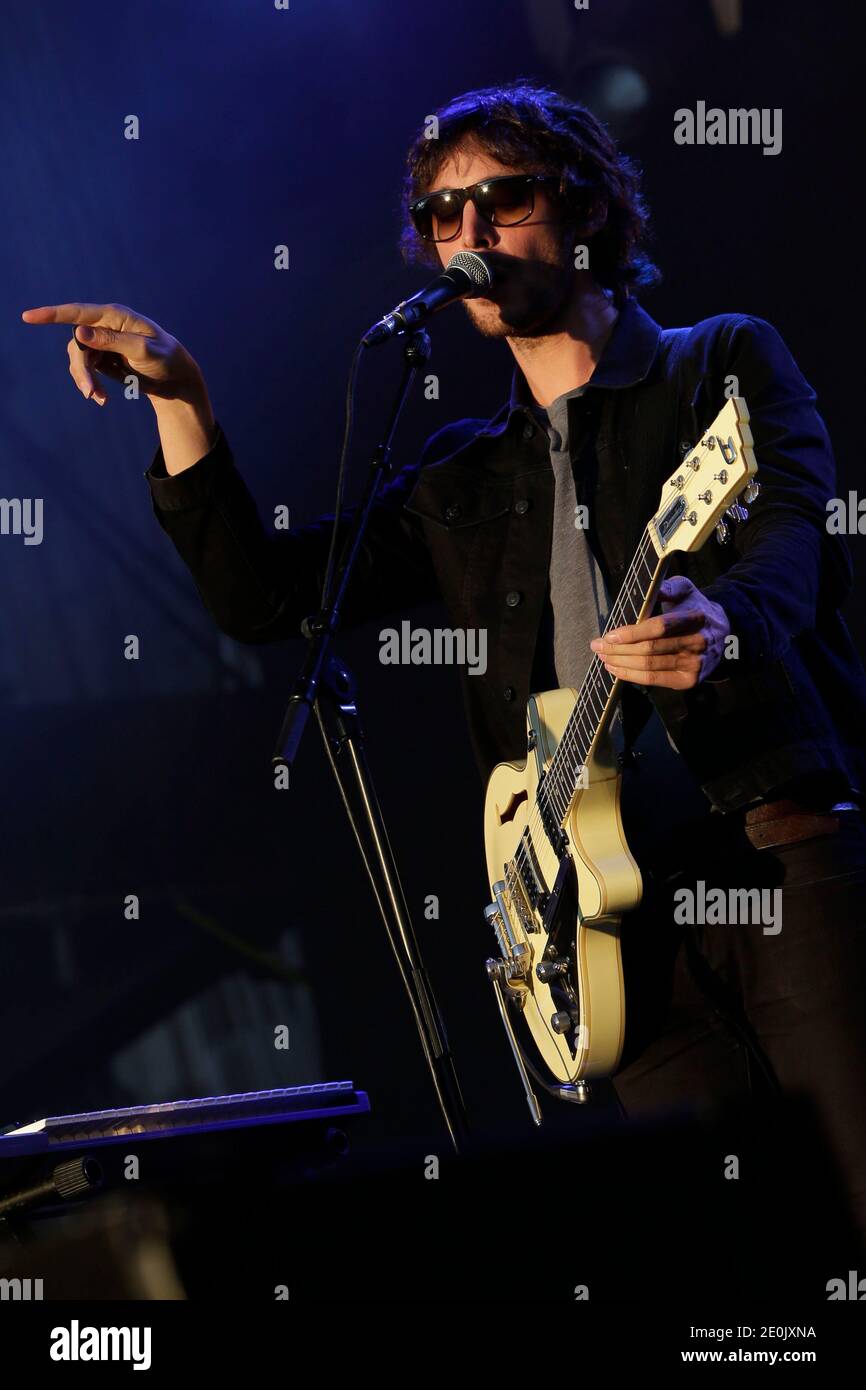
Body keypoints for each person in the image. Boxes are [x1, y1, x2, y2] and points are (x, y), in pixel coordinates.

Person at [21, 81, 866, 1246]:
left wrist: (722, 624)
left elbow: (785, 536)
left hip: (772, 857)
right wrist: (182, 399)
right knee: (719, 1260)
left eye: (499, 199)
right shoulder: (461, 482)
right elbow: (267, 598)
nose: (466, 233)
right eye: (440, 215)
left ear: (579, 212)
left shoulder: (717, 363)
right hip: (600, 934)